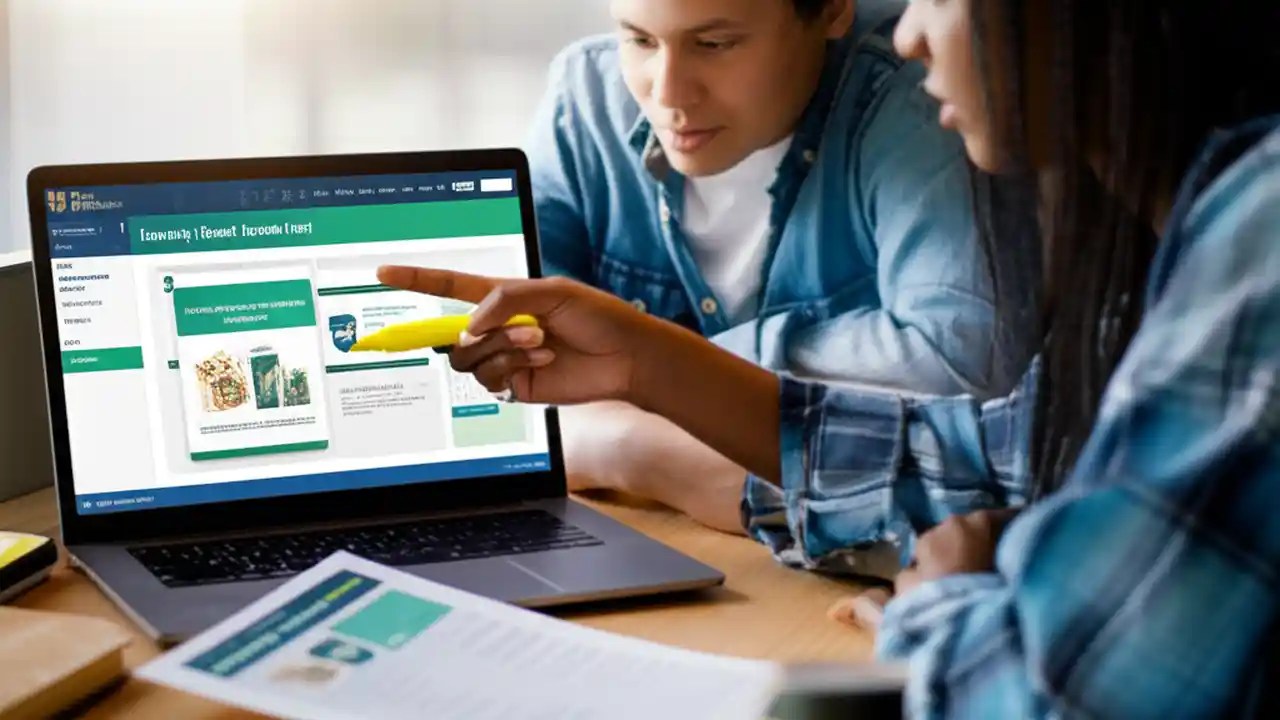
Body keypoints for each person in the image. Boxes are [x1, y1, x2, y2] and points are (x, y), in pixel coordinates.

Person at [381, 0, 1280, 714]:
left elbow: (1041, 700)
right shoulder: (1196, 239)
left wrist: (946, 604)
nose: (917, 32)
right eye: (638, 38)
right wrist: (651, 368)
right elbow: (1001, 455)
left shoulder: (1260, 251)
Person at [526, 0, 1038, 533]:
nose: (668, 92)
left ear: (834, 8)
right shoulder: (586, 98)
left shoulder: (928, 97)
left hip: (824, 549)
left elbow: (965, 360)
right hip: (671, 529)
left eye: (714, 44)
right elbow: (521, 356)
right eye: (639, 40)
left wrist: (646, 399)